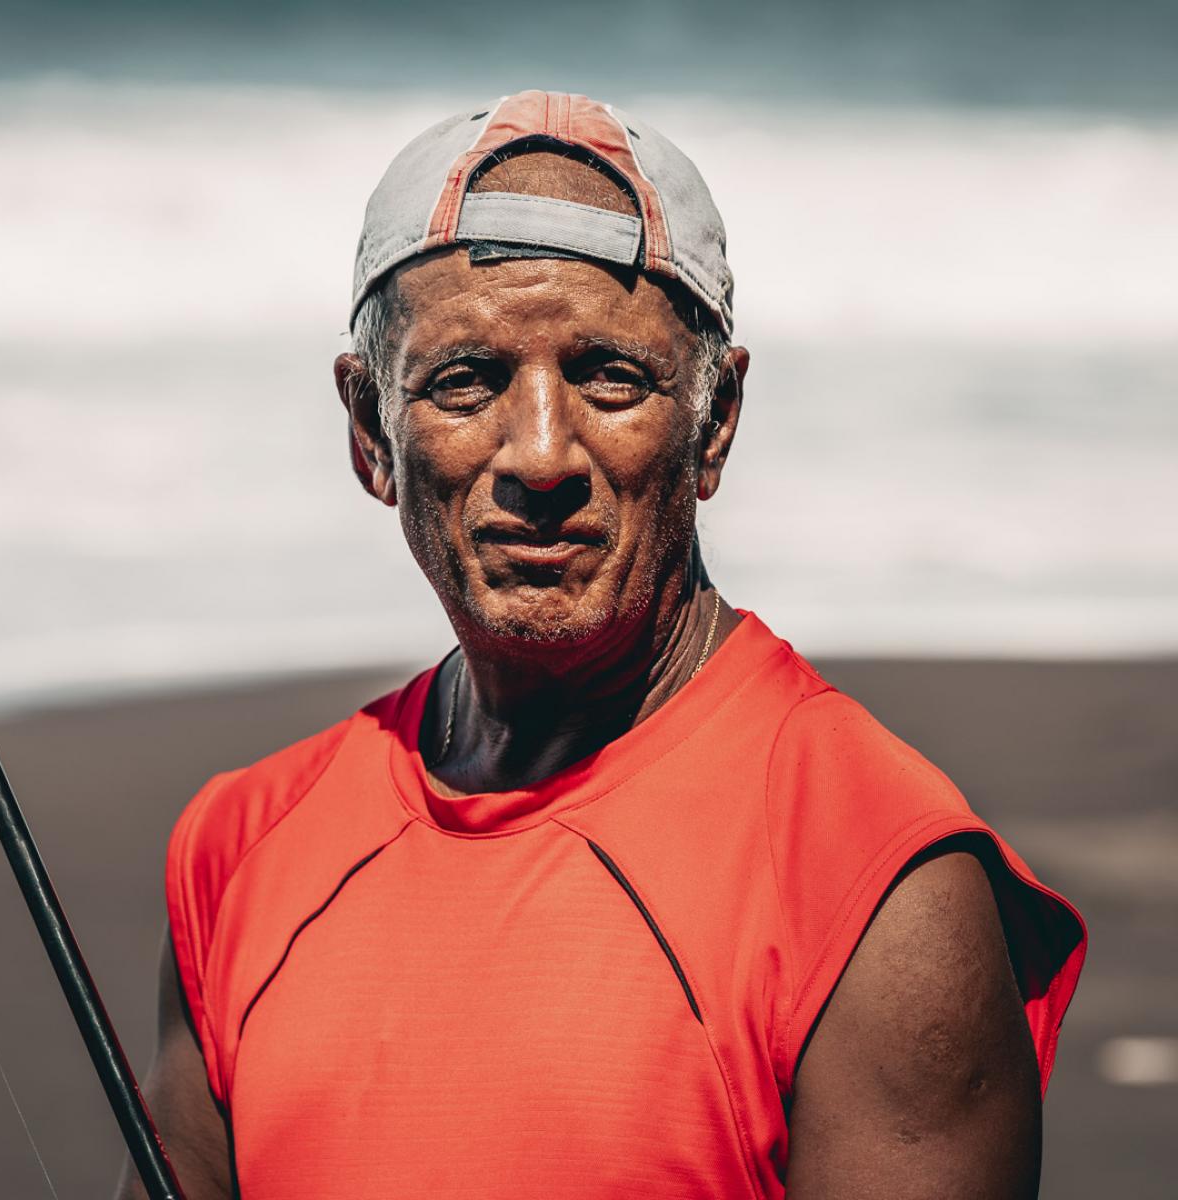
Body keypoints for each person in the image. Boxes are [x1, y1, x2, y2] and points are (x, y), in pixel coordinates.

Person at [116, 90, 1086, 1199]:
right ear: (368, 432)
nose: (540, 455)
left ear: (714, 422)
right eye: (465, 381)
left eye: (609, 376)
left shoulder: (875, 885)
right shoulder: (240, 852)